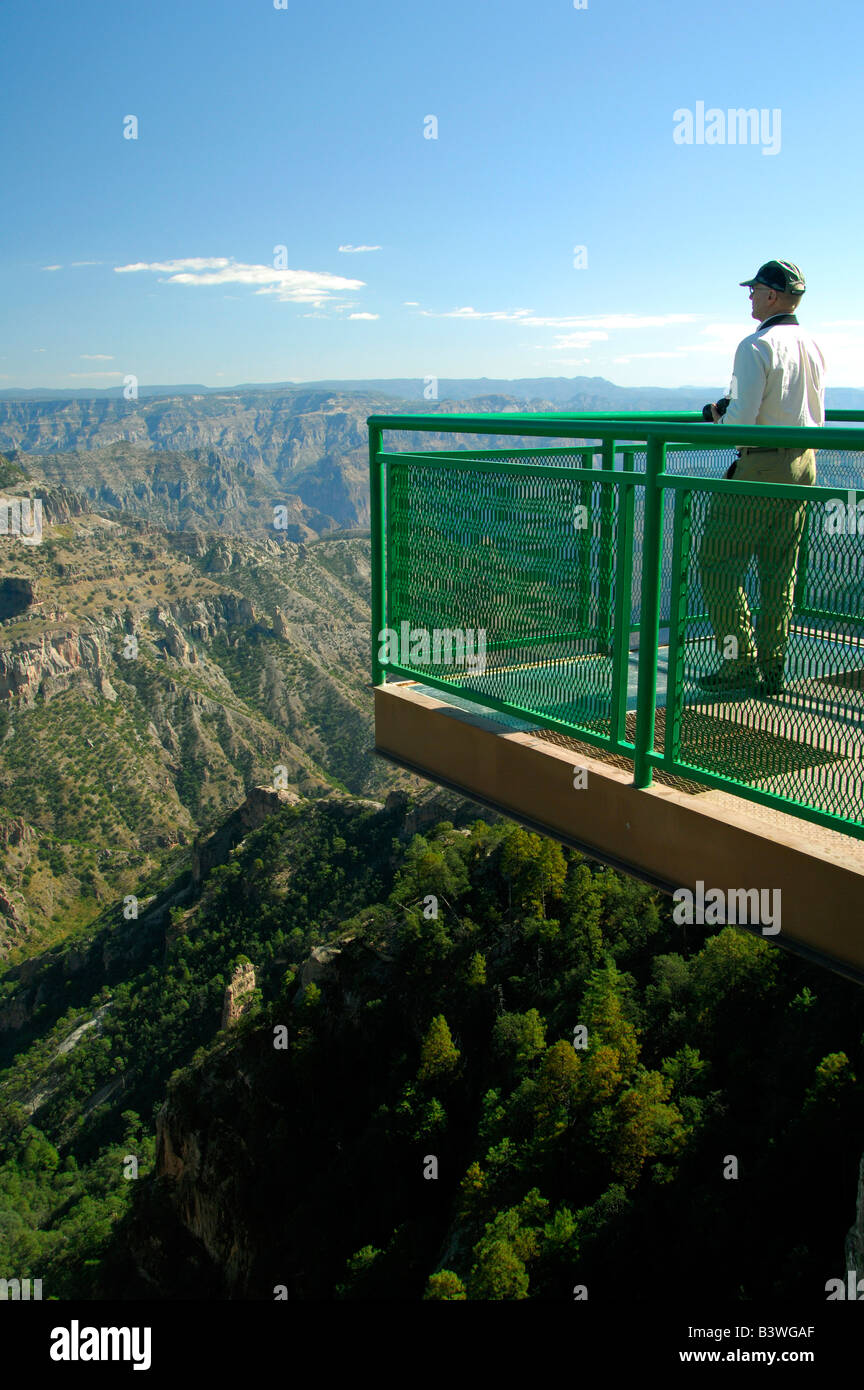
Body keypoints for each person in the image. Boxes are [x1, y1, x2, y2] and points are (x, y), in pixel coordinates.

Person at [697, 260, 825, 696]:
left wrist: (717, 415)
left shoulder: (755, 345)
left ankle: (738, 664)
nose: (749, 296)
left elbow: (741, 422)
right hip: (804, 463)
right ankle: (774, 667)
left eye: (754, 290)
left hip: (762, 463)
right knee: (779, 568)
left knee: (717, 563)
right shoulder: (812, 344)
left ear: (772, 295)